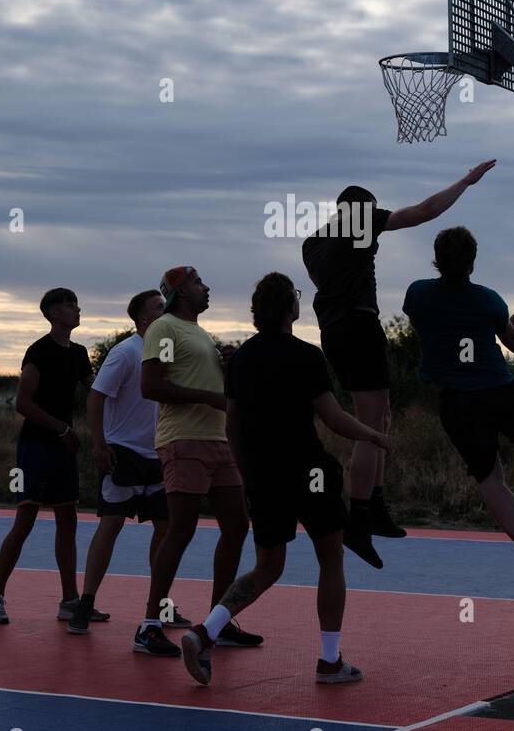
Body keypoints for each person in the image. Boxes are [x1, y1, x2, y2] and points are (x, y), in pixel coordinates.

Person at [181, 273, 389, 687]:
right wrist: (373, 434)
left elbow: (233, 425)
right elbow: (333, 418)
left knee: (266, 567)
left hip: (263, 474)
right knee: (330, 559)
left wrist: (244, 473)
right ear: (291, 308)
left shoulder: (239, 360)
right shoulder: (307, 356)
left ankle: (204, 632)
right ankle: (329, 662)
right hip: (308, 471)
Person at [301, 161, 497, 565]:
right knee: (370, 427)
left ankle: (375, 508)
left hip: (335, 333)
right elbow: (424, 212)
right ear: (362, 209)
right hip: (358, 326)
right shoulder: (363, 219)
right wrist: (464, 181)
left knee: (381, 416)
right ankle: (358, 521)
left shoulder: (313, 243)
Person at [402, 226, 514, 595]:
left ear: (436, 259)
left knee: (491, 480)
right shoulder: (489, 300)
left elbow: (421, 326)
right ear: (473, 261)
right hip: (497, 388)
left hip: (456, 400)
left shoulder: (417, 294)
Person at [137, 266, 261, 657]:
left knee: (238, 526)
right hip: (184, 440)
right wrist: (209, 398)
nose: (206, 287)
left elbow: (197, 380)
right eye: (197, 282)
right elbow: (152, 385)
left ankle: (214, 624)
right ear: (179, 292)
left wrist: (229, 367)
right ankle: (150, 624)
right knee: (181, 529)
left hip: (217, 440)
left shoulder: (200, 333)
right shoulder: (165, 328)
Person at [67, 289, 192, 637]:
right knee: (111, 524)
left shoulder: (168, 353)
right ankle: (85, 602)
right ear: (142, 319)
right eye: (158, 306)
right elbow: (95, 398)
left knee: (166, 531)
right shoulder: (125, 353)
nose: (165, 309)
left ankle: (160, 606)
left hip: (160, 454)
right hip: (123, 452)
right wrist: (99, 444)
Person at [0, 288, 96, 624]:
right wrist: (61, 429)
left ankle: (69, 601)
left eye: (77, 303)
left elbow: (99, 389)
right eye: (69, 304)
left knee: (68, 521)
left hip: (63, 449)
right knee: (26, 520)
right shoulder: (39, 351)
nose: (77, 308)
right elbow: (23, 403)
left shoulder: (78, 353)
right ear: (52, 314)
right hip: (35, 447)